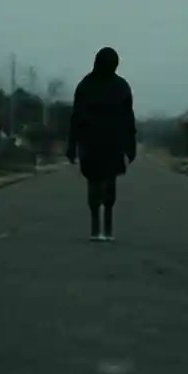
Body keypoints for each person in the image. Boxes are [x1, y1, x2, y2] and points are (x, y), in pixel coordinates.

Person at [66, 47, 137, 242]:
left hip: (98, 143)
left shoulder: (88, 85)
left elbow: (128, 119)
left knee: (98, 184)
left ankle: (100, 226)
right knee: (103, 184)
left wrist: (72, 146)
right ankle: (102, 227)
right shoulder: (114, 86)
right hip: (102, 143)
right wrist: (130, 146)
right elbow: (128, 120)